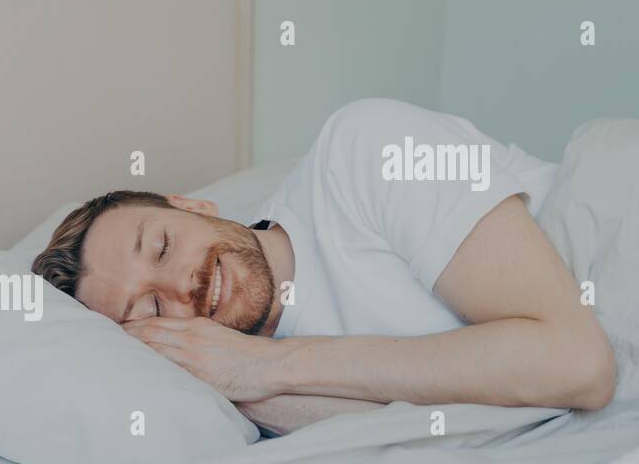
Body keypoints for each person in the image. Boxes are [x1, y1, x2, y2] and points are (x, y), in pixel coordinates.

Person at [32, 99, 616, 434]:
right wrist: (250, 382)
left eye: (161, 246)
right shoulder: (246, 386)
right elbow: (444, 434)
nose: (182, 284)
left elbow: (578, 364)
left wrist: (274, 365)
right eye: (152, 309)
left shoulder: (362, 150)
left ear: (190, 205)